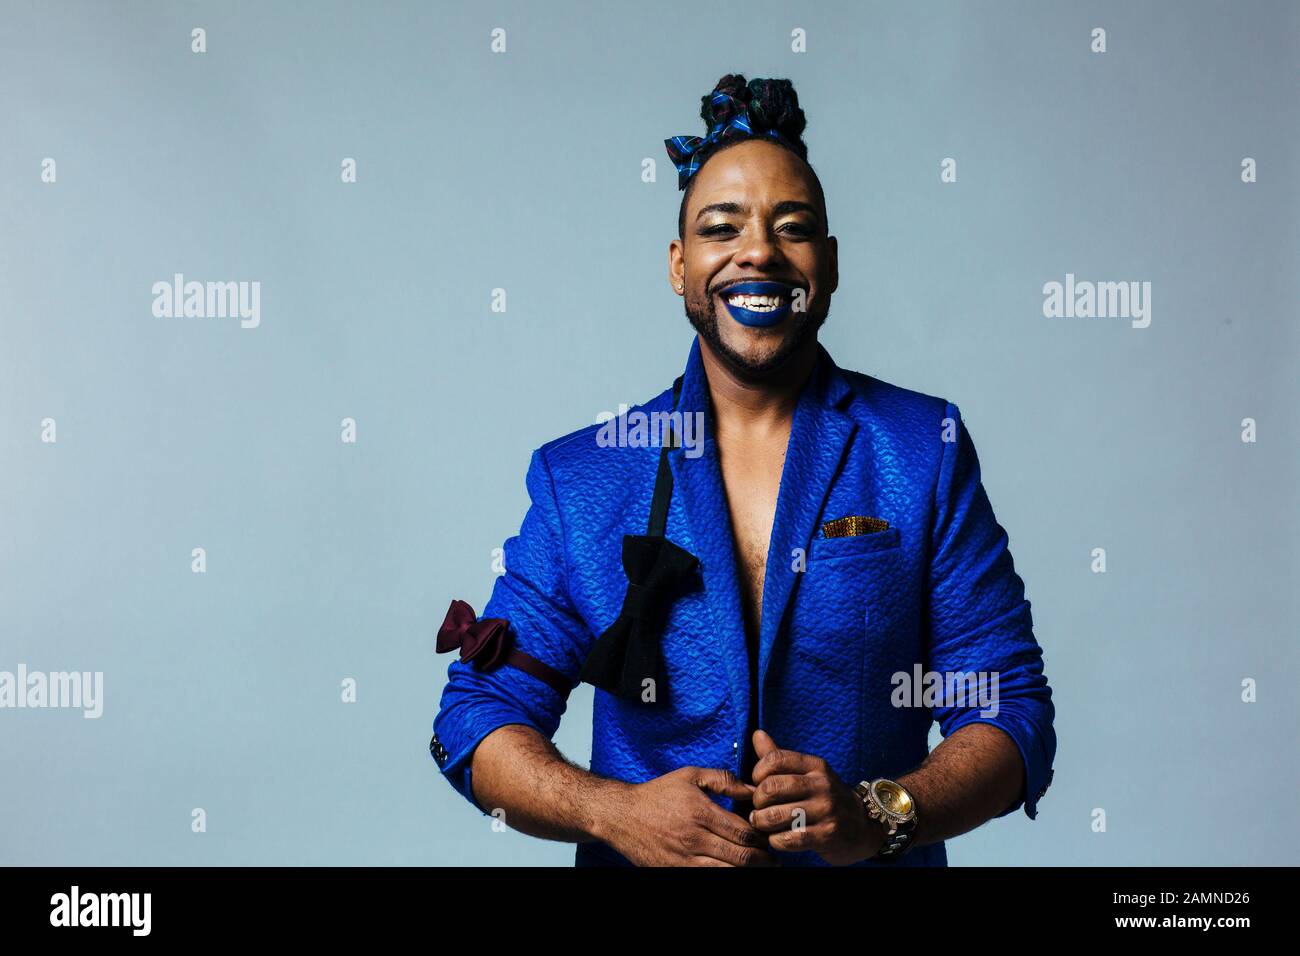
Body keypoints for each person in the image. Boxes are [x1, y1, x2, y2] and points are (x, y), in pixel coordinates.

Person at [430, 73, 1055, 866]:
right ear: (678, 264)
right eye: (722, 229)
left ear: (826, 264)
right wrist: (613, 812)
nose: (757, 250)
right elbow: (477, 717)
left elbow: (1007, 707)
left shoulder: (920, 448)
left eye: (790, 227)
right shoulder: (582, 478)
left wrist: (881, 811)